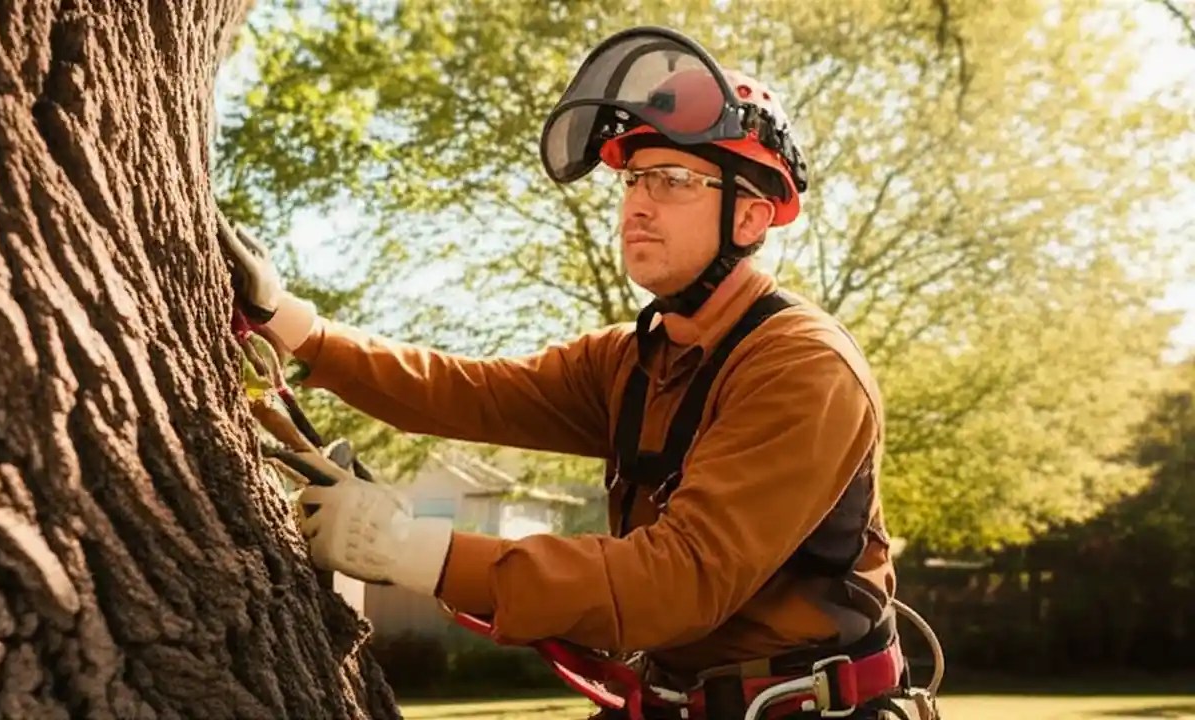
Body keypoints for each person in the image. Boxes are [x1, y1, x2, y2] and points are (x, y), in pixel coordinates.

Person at [220, 26, 907, 720]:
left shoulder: (802, 367)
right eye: (635, 179)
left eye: (672, 181)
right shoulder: (633, 358)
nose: (637, 204)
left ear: (751, 217)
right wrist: (295, 325)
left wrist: (410, 549)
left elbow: (676, 583)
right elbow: (471, 393)